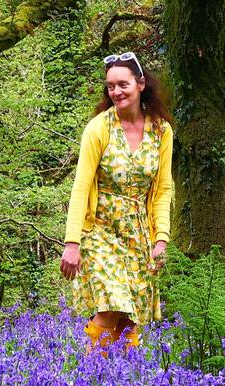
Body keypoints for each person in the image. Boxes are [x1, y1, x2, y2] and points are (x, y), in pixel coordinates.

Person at [60, 52, 175, 352]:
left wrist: (161, 239)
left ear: (140, 84)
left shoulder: (162, 131)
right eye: (110, 86)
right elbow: (81, 187)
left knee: (130, 318)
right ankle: (89, 378)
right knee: (111, 303)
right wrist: (72, 243)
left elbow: (163, 189)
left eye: (122, 84)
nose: (116, 92)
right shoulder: (99, 128)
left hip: (140, 234)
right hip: (100, 230)